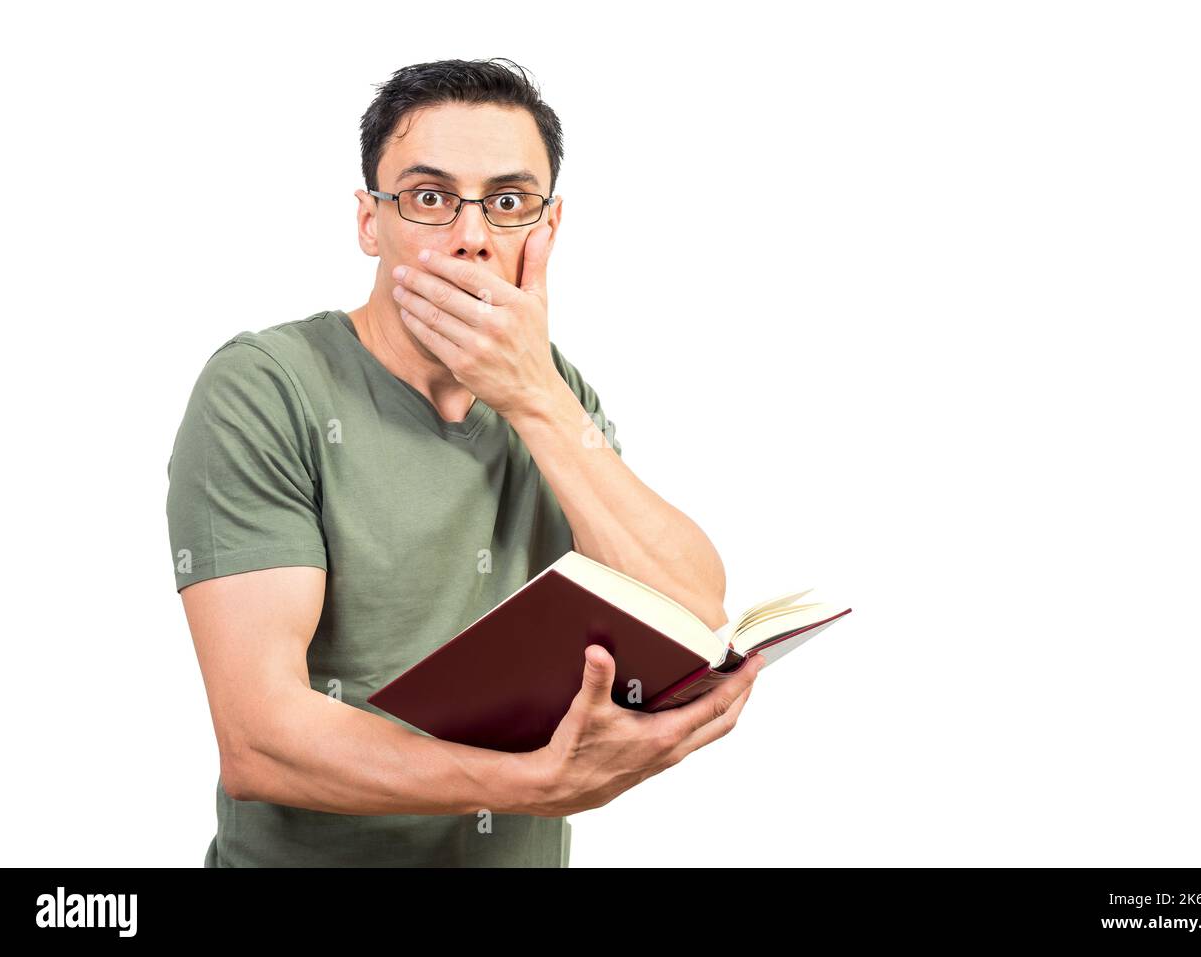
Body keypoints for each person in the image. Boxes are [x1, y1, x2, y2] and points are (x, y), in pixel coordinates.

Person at [165, 57, 762, 867]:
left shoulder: (550, 393)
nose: (472, 237)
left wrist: (536, 398)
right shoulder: (266, 387)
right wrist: (533, 784)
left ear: (546, 231)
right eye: (429, 197)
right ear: (370, 221)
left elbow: (691, 612)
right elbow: (260, 739)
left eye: (508, 203)